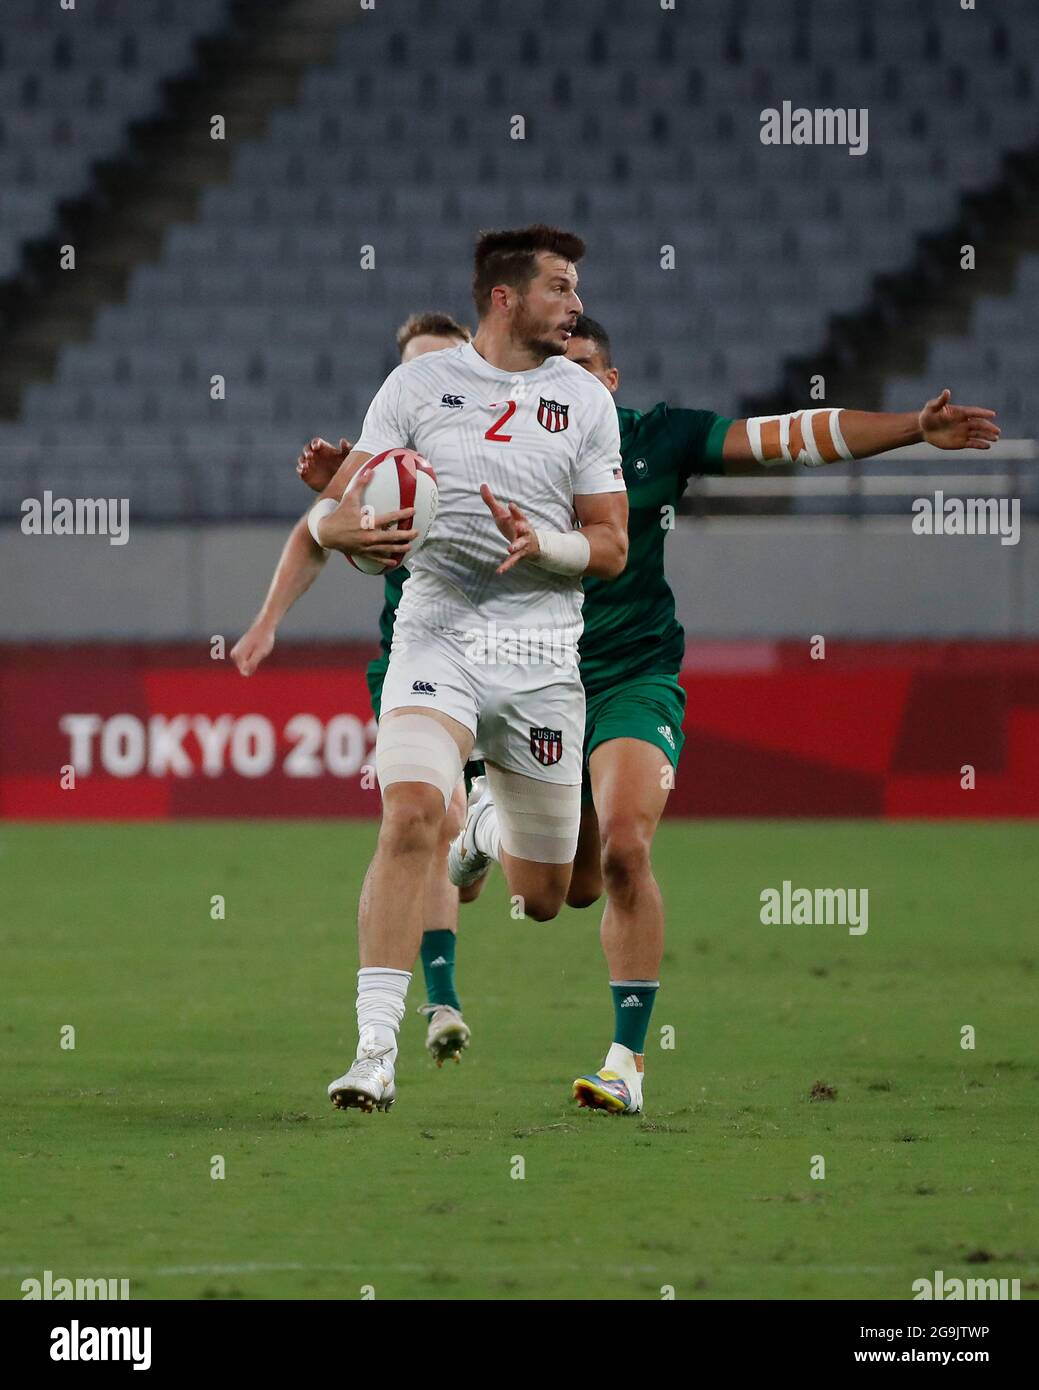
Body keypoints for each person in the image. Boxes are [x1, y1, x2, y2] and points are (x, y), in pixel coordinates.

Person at [232, 225, 629, 1114]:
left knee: (546, 895)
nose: (575, 304)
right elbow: (334, 519)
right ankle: (374, 1052)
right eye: (559, 288)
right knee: (409, 811)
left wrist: (547, 542)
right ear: (505, 297)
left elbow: (610, 548)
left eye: (573, 290)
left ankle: (481, 834)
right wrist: (346, 527)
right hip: (436, 632)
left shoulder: (583, 400)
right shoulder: (414, 388)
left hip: (537, 653)